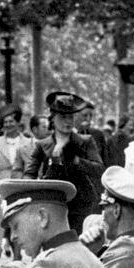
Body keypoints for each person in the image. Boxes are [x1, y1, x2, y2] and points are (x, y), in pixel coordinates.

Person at [26, 90, 104, 233]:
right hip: (52, 204)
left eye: (71, 117)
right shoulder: (42, 145)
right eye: (62, 117)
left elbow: (99, 169)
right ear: (52, 119)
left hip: (81, 205)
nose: (67, 121)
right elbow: (29, 175)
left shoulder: (85, 141)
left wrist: (76, 161)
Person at [0, 103, 33, 259]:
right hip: (2, 180)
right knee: (1, 213)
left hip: (21, 182)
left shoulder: (28, 142)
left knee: (18, 213)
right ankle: (1, 243)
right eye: (5, 122)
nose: (8, 124)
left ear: (18, 122)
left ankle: (18, 247)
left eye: (11, 121)